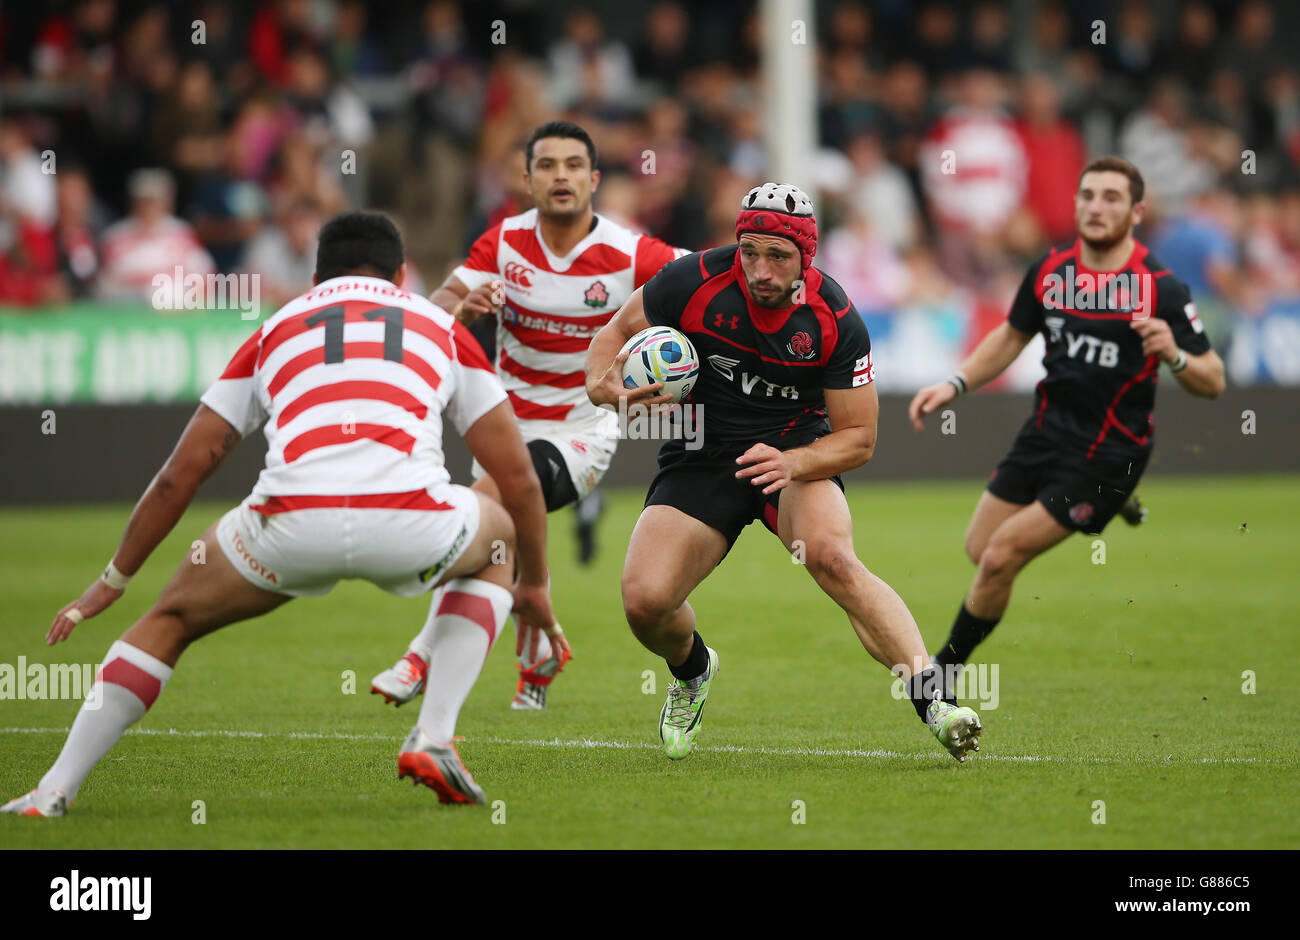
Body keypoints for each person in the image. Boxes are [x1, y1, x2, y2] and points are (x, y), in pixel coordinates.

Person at [2, 212, 556, 816]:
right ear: (402, 274)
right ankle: (434, 736)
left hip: (287, 525)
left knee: (168, 619)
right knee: (499, 526)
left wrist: (114, 580)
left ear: (315, 277)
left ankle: (53, 790)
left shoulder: (275, 328)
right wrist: (533, 583)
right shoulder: (439, 324)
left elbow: (178, 475)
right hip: (413, 523)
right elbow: (520, 479)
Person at [584, 182, 983, 762]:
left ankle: (935, 701)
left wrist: (792, 461)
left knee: (833, 558)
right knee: (644, 601)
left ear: (807, 257)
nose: (760, 269)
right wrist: (601, 384)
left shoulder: (837, 319)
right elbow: (614, 333)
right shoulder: (692, 280)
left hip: (797, 454)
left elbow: (860, 439)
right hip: (704, 453)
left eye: (778, 256)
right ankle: (693, 671)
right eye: (750, 251)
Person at [371, 121, 685, 711]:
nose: (560, 176)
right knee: (491, 551)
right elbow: (432, 313)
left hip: (580, 434)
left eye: (572, 165)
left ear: (594, 179)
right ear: (527, 179)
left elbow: (702, 279)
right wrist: (464, 307)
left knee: (479, 520)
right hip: (503, 429)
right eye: (547, 165)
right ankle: (540, 654)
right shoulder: (503, 243)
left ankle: (418, 657)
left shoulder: (629, 252)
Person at [908, 157, 1225, 673]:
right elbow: (1012, 335)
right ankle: (1114, 506)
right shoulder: (1051, 271)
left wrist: (1175, 354)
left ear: (1137, 211)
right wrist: (955, 383)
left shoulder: (1158, 287)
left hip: (1111, 454)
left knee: (1000, 556)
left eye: (1112, 198)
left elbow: (1212, 381)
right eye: (1088, 195)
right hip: (1045, 433)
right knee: (979, 548)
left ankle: (939, 676)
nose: (1096, 207)